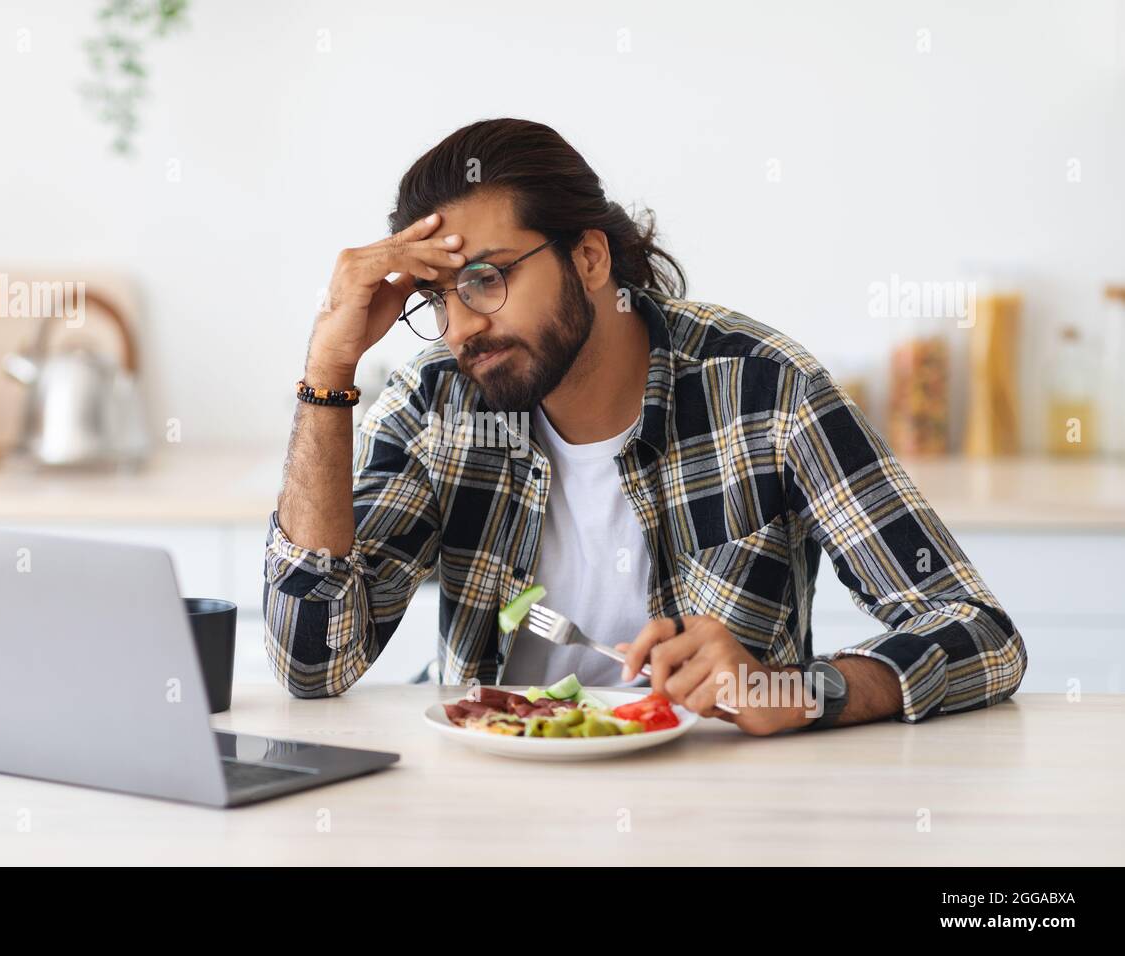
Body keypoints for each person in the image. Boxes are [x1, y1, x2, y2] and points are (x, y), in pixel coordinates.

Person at [263, 117, 1026, 735]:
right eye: (439, 299)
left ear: (589, 258)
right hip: (490, 810)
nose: (462, 327)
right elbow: (312, 664)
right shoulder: (438, 404)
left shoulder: (762, 390)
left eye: (487, 281)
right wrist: (326, 374)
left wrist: (798, 691)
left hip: (718, 813)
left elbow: (980, 634)